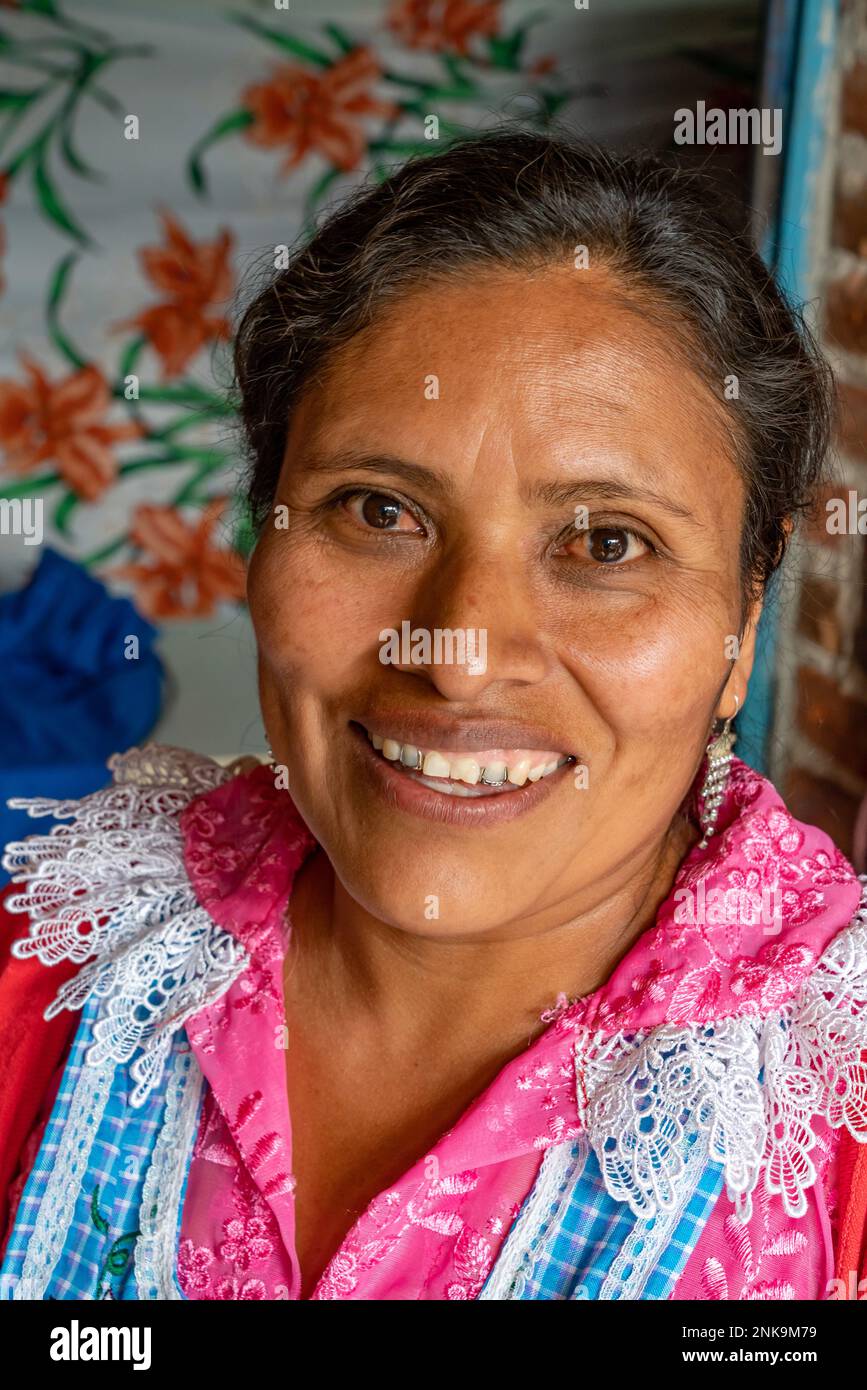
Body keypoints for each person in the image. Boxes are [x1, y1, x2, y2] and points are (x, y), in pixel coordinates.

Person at [2, 130, 866, 1301]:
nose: (457, 657)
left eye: (606, 542)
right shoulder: (53, 968)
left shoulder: (832, 1119)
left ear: (743, 626)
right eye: (379, 509)